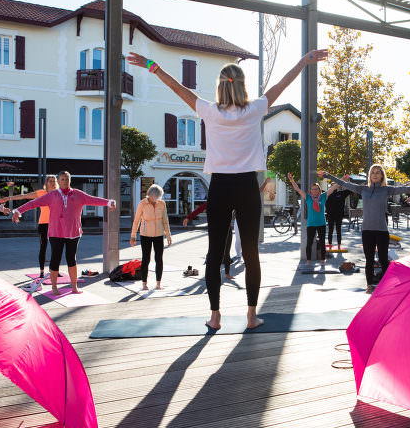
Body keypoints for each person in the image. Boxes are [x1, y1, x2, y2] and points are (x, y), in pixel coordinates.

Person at [127, 48, 327, 329]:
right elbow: (281, 84)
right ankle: (251, 315)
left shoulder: (210, 111)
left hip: (220, 186)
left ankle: (215, 316)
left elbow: (178, 89)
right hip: (247, 186)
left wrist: (153, 65)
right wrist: (303, 61)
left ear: (220, 86)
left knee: (214, 254)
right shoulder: (255, 109)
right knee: (251, 253)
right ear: (243, 85)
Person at [320, 166, 410, 292]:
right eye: (372, 172)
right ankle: (369, 285)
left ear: (381, 176)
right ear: (370, 175)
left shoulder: (387, 189)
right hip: (367, 231)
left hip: (381, 231)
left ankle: (386, 286)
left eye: (377, 173)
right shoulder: (363, 189)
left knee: (383, 260)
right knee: (369, 260)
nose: (374, 174)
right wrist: (329, 176)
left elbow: (407, 188)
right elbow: (344, 183)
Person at [11, 171, 116, 295]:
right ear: (58, 181)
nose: (65, 181)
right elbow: (34, 203)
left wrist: (109, 202)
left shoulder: (78, 194)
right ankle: (54, 287)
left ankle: (74, 287)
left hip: (73, 232)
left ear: (70, 180)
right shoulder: (52, 195)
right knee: (55, 258)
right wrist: (18, 210)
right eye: (62, 179)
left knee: (72, 259)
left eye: (67, 179)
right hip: (56, 232)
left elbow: (93, 200)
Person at [0, 175, 58, 277]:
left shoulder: (58, 194)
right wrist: (8, 198)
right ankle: (42, 271)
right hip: (44, 223)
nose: (52, 183)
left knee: (56, 248)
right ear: (46, 183)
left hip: (56, 224)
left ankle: (55, 270)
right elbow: (24, 196)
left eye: (54, 181)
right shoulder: (41, 193)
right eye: (50, 181)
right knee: (43, 247)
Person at [131, 184, 172, 290]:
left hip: (159, 234)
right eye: (155, 198)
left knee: (159, 259)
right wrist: (133, 236)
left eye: (158, 197)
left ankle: (158, 284)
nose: (156, 200)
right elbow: (136, 221)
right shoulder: (142, 204)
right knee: (146, 259)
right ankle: (144, 284)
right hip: (145, 235)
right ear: (149, 195)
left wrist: (168, 235)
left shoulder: (162, 204)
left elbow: (165, 220)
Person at [288, 173, 333, 265]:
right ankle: (308, 261)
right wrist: (291, 180)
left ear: (319, 190)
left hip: (321, 223)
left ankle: (323, 260)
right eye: (313, 189)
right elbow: (297, 189)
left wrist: (342, 180)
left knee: (322, 242)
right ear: (311, 191)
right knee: (309, 243)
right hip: (311, 224)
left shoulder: (323, 196)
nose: (314, 190)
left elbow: (333, 188)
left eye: (316, 189)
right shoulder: (308, 197)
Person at [325, 175, 351, 250]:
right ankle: (330, 245)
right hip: (330, 215)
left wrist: (346, 182)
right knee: (330, 230)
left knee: (338, 230)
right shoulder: (327, 195)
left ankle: (339, 245)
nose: (334, 187)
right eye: (332, 185)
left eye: (335, 185)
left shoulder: (341, 193)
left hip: (339, 215)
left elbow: (350, 190)